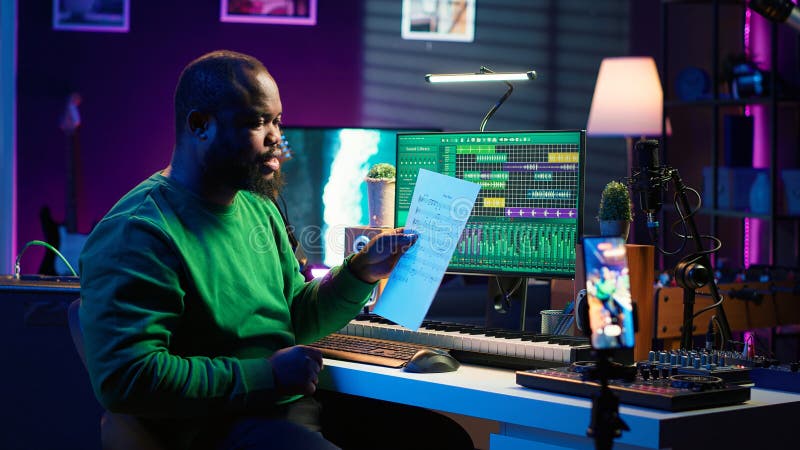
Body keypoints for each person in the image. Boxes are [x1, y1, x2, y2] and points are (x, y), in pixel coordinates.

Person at [78, 50, 471, 450]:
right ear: (200, 125)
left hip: (288, 407)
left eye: (277, 121)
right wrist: (268, 375)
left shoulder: (259, 208)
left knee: (445, 439)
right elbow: (129, 379)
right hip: (214, 427)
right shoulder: (138, 231)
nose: (276, 139)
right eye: (256, 122)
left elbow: (296, 315)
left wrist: (361, 271)